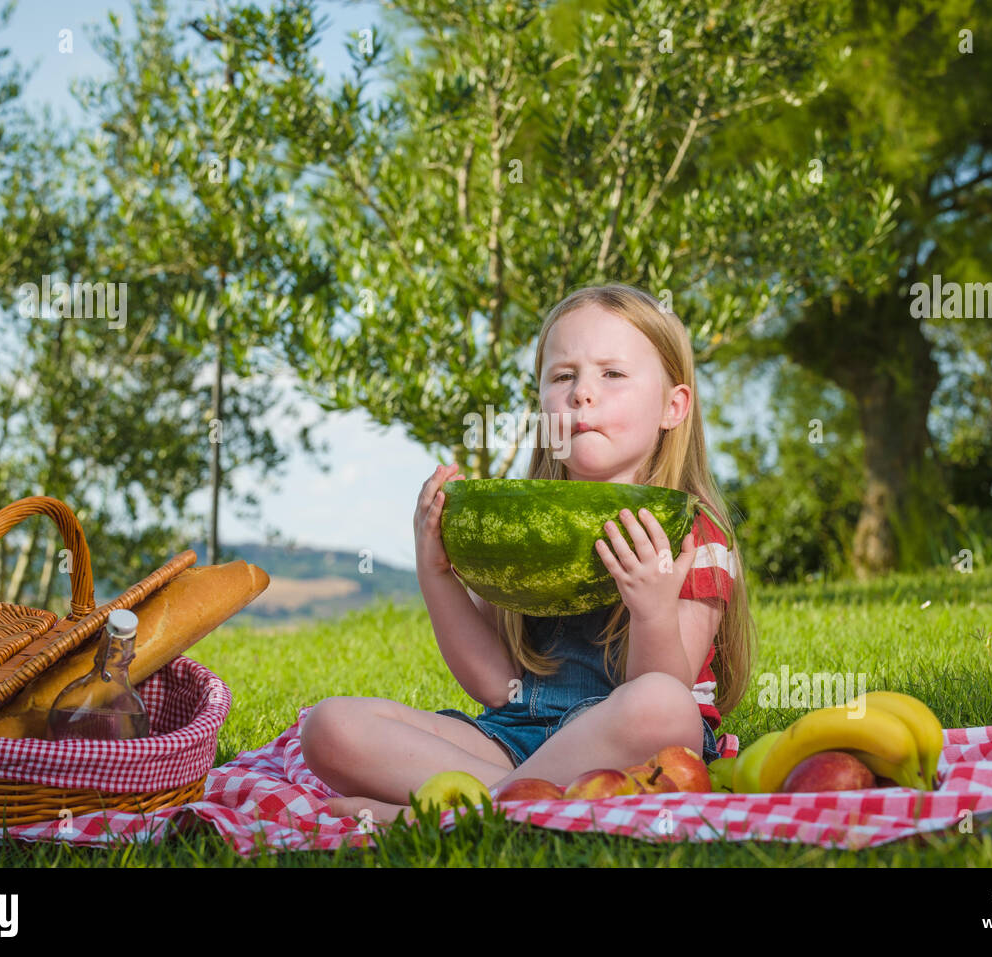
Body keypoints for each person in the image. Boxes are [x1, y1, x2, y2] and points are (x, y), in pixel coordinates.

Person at [303, 282, 758, 824]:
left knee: (663, 705)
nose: (582, 393)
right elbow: (497, 687)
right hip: (516, 739)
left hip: (633, 750)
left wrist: (652, 610)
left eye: (612, 374)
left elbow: (663, 687)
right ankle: (512, 800)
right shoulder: (521, 521)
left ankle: (451, 812)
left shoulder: (692, 531)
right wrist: (437, 572)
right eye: (563, 376)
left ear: (672, 406)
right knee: (329, 727)